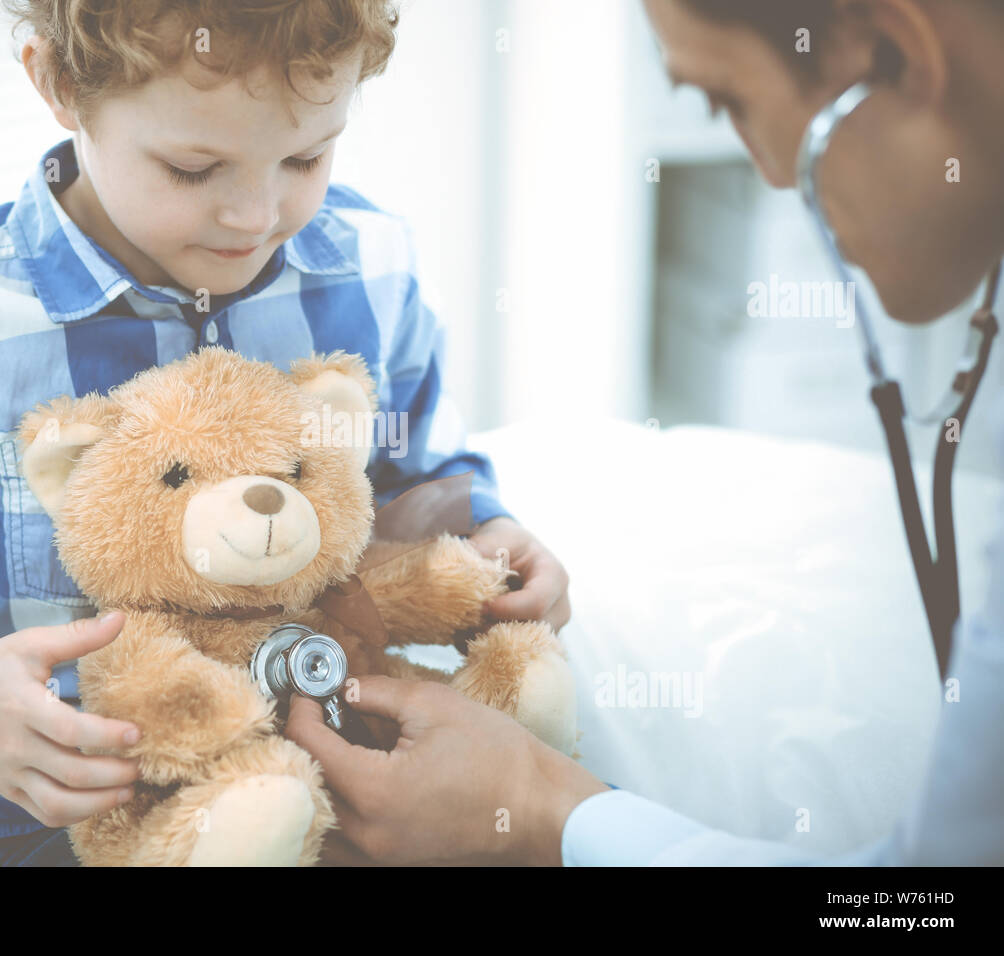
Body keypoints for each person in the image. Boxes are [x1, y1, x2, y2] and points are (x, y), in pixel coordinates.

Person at [0, 0, 572, 867]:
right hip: (67, 815)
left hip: (342, 774)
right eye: (194, 168)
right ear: (60, 83)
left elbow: (422, 480)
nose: (255, 216)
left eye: (305, 156)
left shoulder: (368, 266)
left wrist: (490, 537)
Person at [286, 0, 1004, 866]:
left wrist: (542, 810)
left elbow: (911, 906)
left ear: (897, 48)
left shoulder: (369, 265)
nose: (773, 175)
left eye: (725, 99)